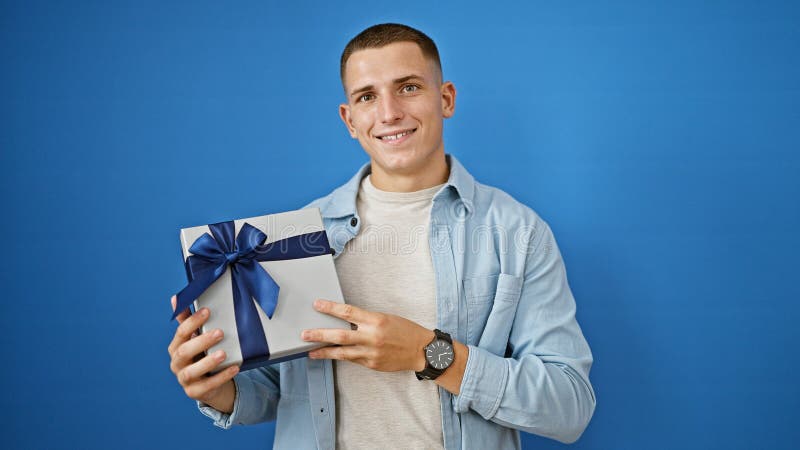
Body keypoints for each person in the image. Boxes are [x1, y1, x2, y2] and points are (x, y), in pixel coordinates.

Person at [168, 23, 596, 449]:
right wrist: (217, 387)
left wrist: (427, 353)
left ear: (445, 98)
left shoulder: (518, 231)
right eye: (367, 96)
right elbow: (283, 388)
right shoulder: (297, 237)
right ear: (349, 120)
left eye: (408, 87)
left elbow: (569, 405)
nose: (389, 112)